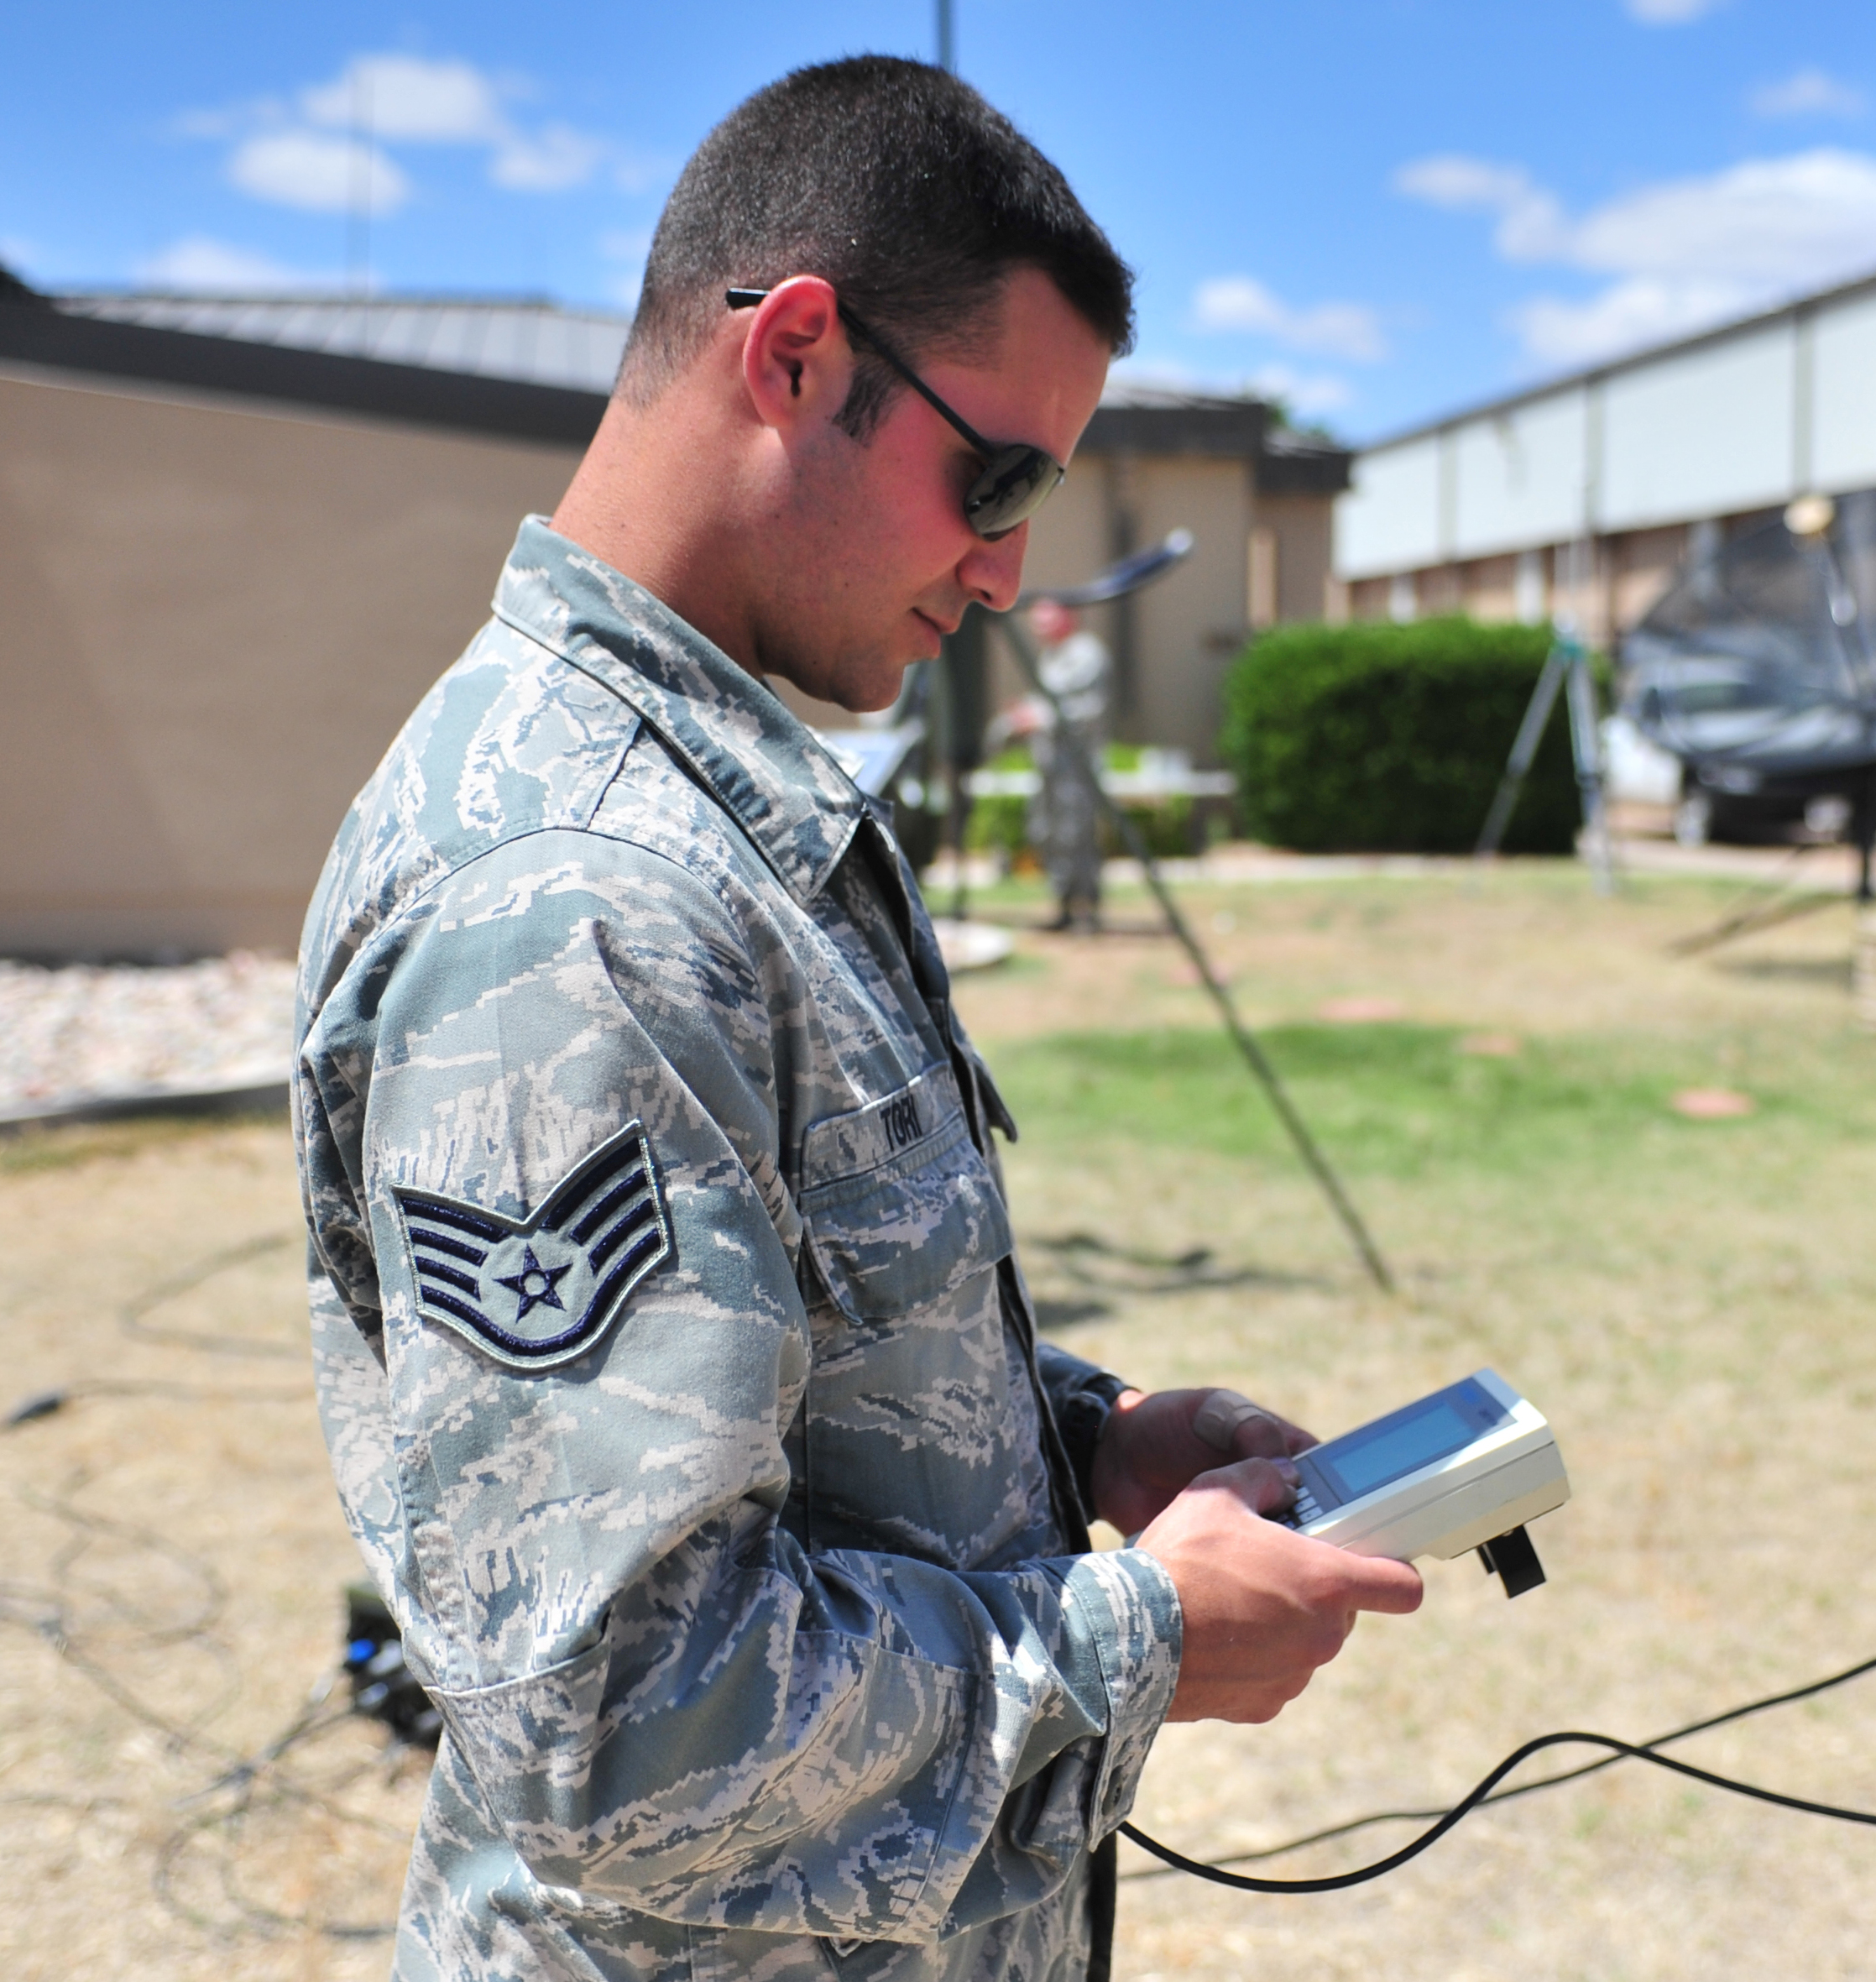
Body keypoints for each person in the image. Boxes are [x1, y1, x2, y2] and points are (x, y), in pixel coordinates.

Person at [290, 58, 1422, 1982]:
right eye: (998, 482)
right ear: (797, 355)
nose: (1005, 570)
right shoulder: (587, 894)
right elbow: (624, 1726)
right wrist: (1144, 1634)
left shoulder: (710, 815)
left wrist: (1080, 1446)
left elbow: (774, 1368)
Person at [1022, 597, 1111, 929]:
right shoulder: (1050, 656)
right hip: (1049, 763)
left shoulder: (1087, 654)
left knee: (1078, 834)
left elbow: (1088, 708)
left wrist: (1040, 719)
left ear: (1067, 616)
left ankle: (1087, 910)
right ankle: (1063, 905)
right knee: (1048, 831)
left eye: (1044, 619)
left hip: (1076, 766)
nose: (1037, 627)